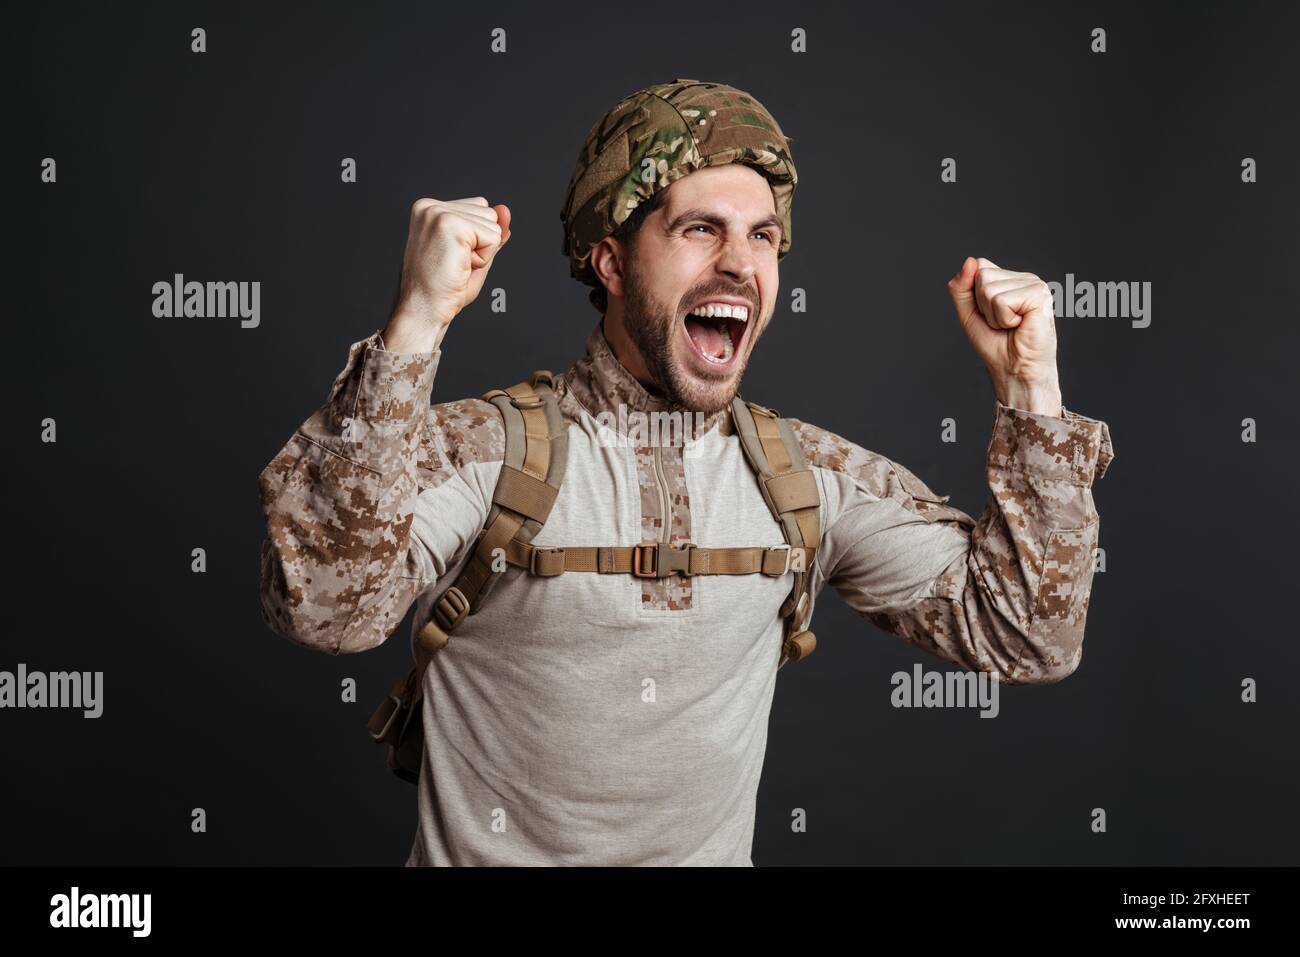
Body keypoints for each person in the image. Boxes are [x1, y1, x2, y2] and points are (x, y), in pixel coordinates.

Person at [257, 78, 1114, 866]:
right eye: (700, 228)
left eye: (763, 236)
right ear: (611, 259)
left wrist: (1029, 388)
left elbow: (1028, 636)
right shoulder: (491, 453)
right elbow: (328, 608)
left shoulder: (806, 477)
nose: (741, 263)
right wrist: (414, 325)